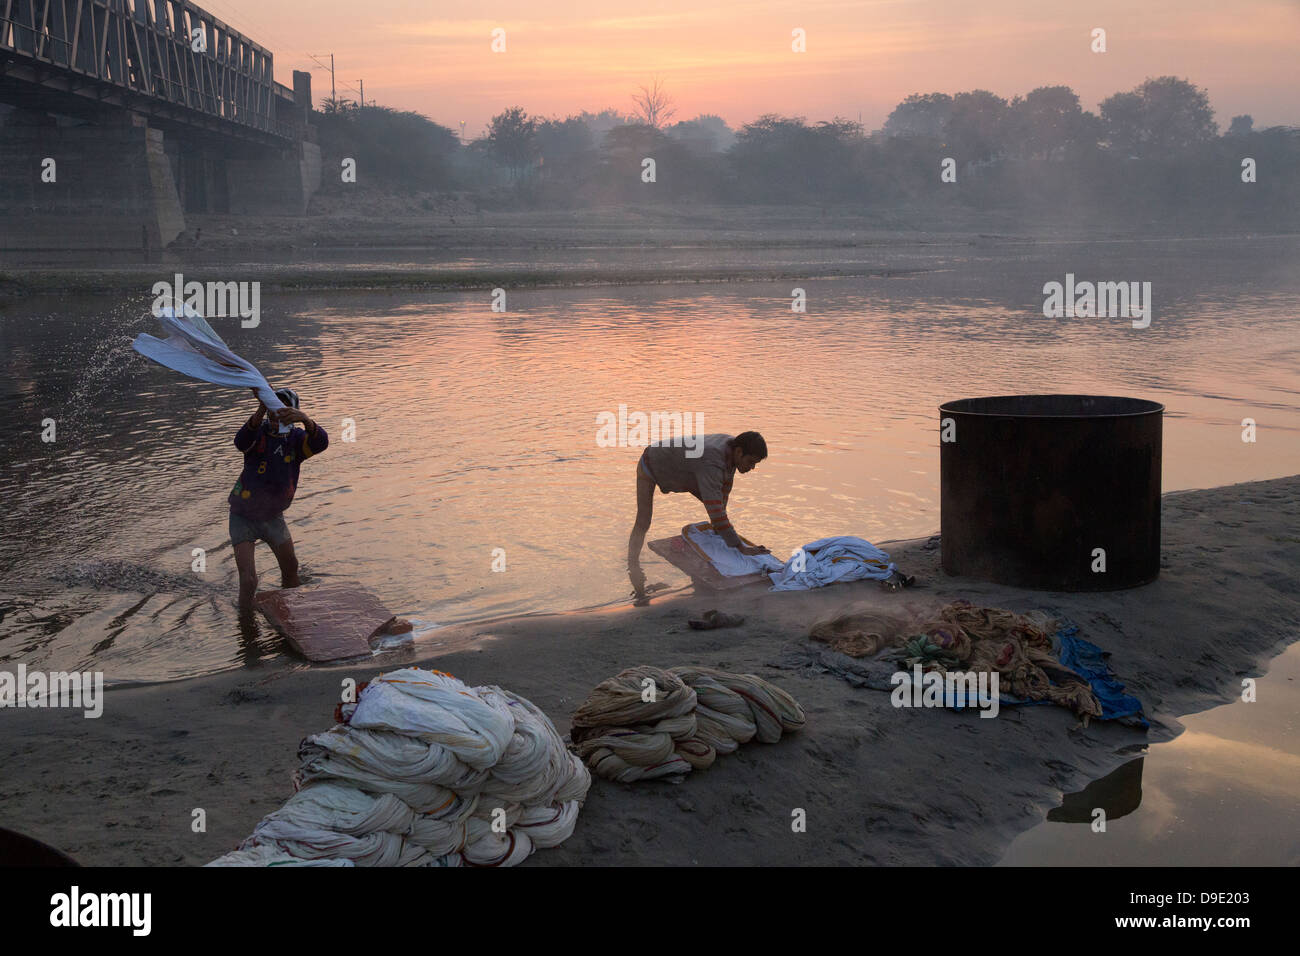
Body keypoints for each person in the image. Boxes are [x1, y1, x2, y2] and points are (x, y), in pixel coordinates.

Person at [627, 431, 769, 603]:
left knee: (717, 513)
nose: (752, 468)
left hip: (686, 470)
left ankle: (634, 566)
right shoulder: (712, 461)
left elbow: (723, 492)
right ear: (739, 452)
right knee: (643, 521)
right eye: (751, 462)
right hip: (652, 463)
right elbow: (716, 512)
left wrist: (722, 530)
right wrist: (740, 546)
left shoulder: (730, 451)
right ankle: (632, 566)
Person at [229, 387, 328, 607]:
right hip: (242, 515)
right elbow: (240, 442)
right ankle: (246, 623)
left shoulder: (296, 440)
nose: (276, 417)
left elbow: (321, 442)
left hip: (273, 516)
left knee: (291, 568)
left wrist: (306, 420)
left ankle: (291, 612)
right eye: (273, 411)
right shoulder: (258, 432)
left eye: (283, 412)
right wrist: (261, 408)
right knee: (248, 581)